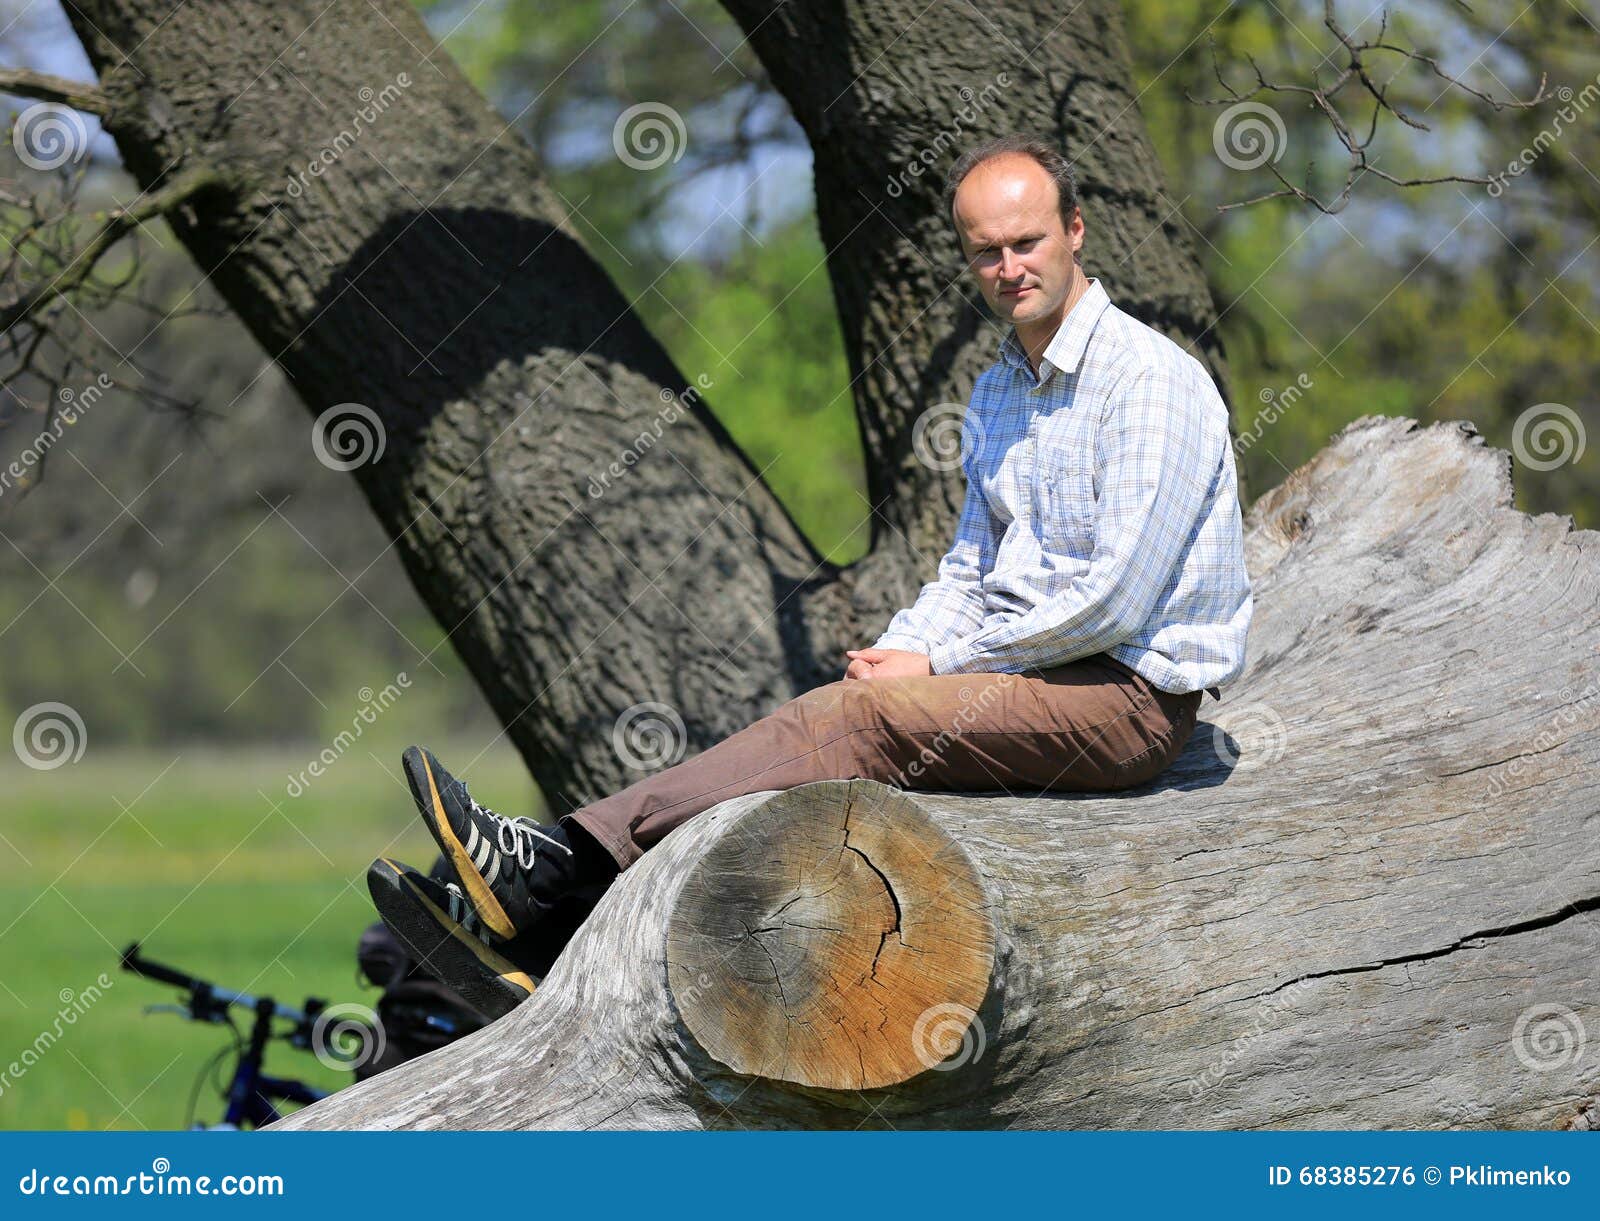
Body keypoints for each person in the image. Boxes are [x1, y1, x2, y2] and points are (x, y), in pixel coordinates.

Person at [366, 132, 1253, 1017]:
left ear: (1076, 232)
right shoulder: (999, 390)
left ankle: (559, 865)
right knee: (843, 711)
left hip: (1125, 700)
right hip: (1031, 677)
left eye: (1027, 242)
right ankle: (549, 937)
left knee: (859, 719)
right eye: (986, 250)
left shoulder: (1148, 381)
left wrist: (937, 670)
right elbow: (969, 573)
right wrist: (905, 648)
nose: (1009, 266)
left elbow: (1113, 601)